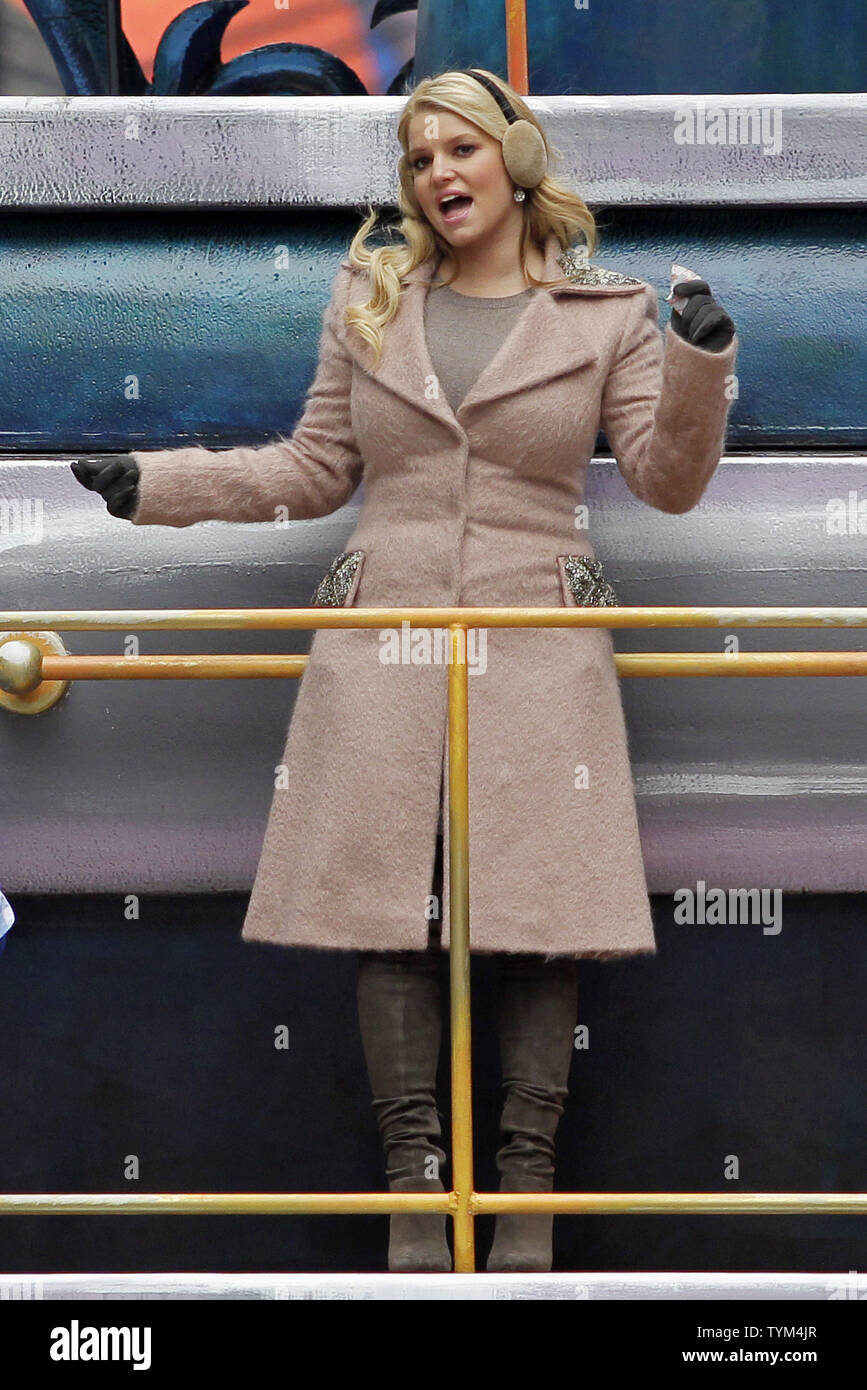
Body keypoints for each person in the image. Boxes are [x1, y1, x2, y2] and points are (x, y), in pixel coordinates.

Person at [71, 67, 737, 1274]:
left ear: (516, 160)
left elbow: (667, 476)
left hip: (539, 641)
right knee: (391, 913)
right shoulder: (370, 297)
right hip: (385, 640)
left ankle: (526, 1196)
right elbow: (315, 467)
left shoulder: (605, 313)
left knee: (536, 923)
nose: (438, 175)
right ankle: (415, 1193)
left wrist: (697, 361)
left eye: (460, 151)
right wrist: (158, 488)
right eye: (418, 157)